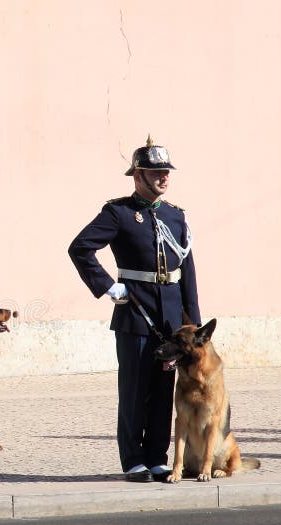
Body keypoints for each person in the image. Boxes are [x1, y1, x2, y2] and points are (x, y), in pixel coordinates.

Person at [67, 136, 200, 483]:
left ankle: (157, 456)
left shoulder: (176, 216)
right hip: (136, 312)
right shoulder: (120, 213)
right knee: (135, 390)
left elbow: (187, 270)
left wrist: (194, 323)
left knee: (162, 391)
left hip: (171, 318)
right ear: (137, 176)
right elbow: (80, 248)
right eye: (155, 171)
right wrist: (108, 285)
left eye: (166, 171)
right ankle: (133, 460)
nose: (163, 177)